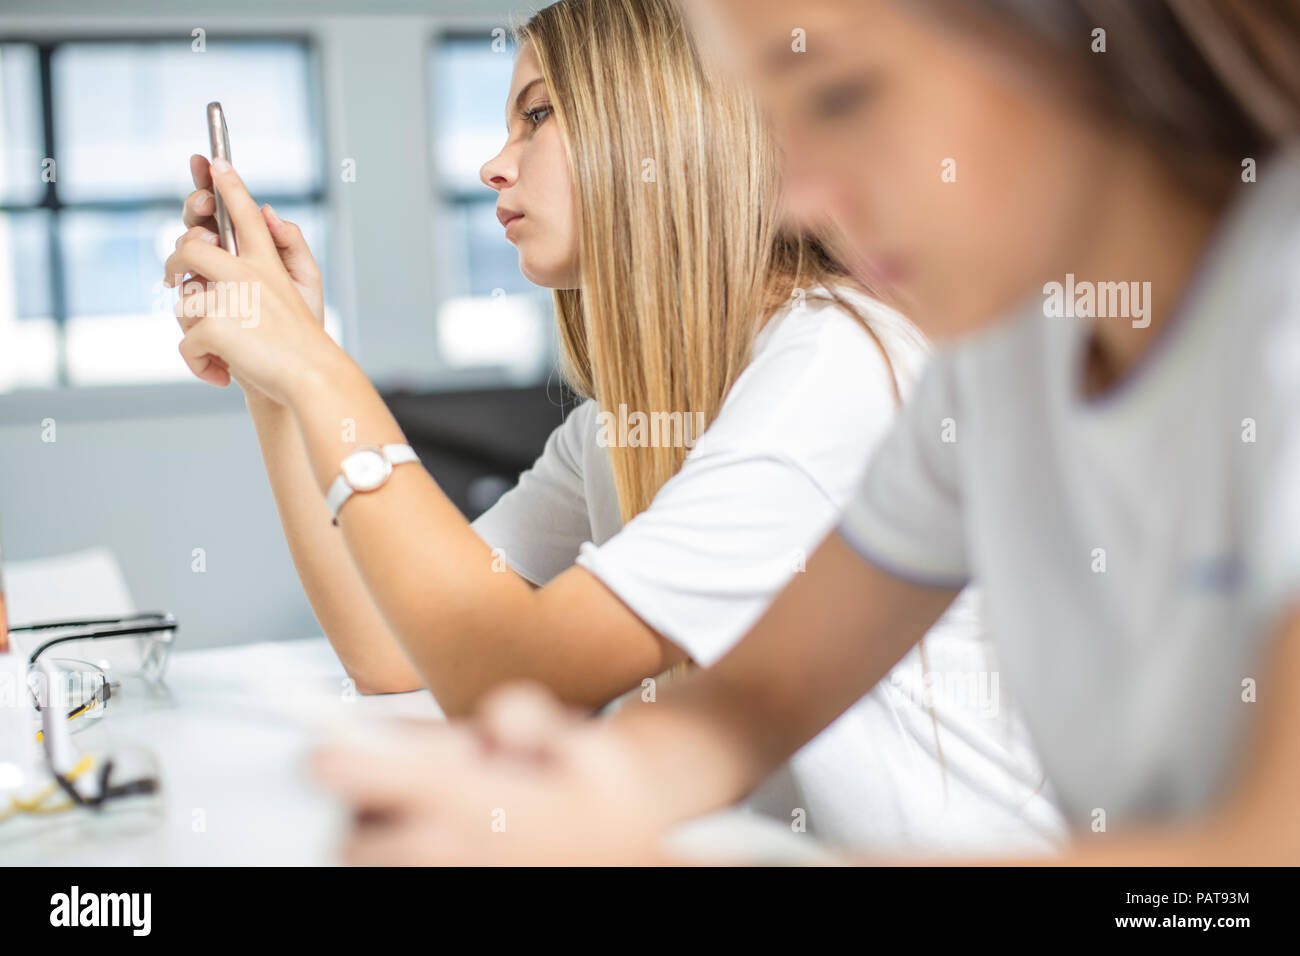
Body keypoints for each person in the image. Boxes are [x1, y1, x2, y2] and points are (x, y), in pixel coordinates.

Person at [311, 0, 1300, 865]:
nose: (793, 197)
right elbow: (755, 698)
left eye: (838, 98)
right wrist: (588, 790)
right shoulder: (997, 362)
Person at [162, 0, 1061, 856]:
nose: (494, 166)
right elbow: (396, 650)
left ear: (661, 128)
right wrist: (274, 377)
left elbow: (506, 671)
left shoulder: (837, 370)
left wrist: (320, 373)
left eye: (538, 115)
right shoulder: (617, 428)